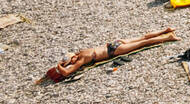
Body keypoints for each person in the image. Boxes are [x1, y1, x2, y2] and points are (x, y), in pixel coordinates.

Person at [42, 28, 179, 81]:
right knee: (143, 38)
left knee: (143, 42)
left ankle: (167, 36)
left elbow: (66, 72)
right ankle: (165, 32)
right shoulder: (81, 54)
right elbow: (67, 71)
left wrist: (60, 66)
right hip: (113, 45)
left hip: (113, 49)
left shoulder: (81, 57)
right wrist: (61, 65)